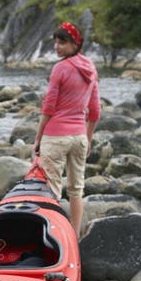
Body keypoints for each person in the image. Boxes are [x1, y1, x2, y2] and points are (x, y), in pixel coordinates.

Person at [32, 21, 101, 235]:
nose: (57, 47)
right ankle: (74, 236)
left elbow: (49, 106)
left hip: (56, 137)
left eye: (62, 42)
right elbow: (95, 109)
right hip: (79, 137)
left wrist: (38, 137)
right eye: (55, 42)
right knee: (76, 190)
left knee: (51, 192)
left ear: (75, 43)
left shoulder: (60, 68)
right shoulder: (90, 68)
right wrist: (88, 138)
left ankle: (53, 237)